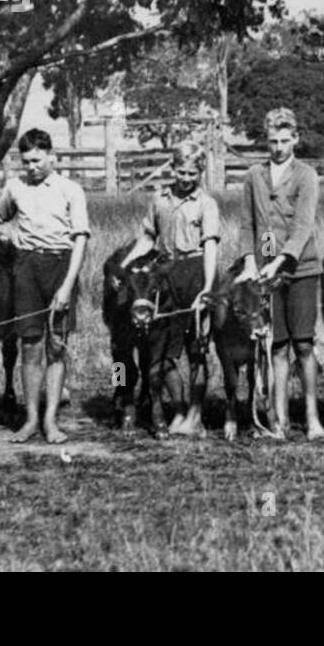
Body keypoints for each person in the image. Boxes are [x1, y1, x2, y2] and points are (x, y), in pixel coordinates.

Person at [0, 129, 89, 444]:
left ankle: (51, 421)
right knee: (30, 346)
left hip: (61, 266)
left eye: (37, 160)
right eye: (26, 162)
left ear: (52, 156)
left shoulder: (70, 190)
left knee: (56, 347)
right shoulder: (15, 187)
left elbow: (80, 242)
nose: (32, 167)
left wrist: (66, 287)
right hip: (25, 268)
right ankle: (31, 419)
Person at [239, 108, 324, 441]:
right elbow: (248, 224)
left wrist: (281, 260)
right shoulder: (253, 176)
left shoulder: (306, 175)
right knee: (275, 346)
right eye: (273, 141)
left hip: (300, 268)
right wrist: (251, 261)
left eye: (284, 141)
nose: (278, 147)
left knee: (303, 344)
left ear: (296, 139)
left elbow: (304, 224)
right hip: (265, 272)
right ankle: (279, 419)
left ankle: (313, 418)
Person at [121, 141, 219, 437]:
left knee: (197, 348)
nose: (186, 178)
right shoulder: (159, 199)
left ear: (200, 172)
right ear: (173, 169)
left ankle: (195, 415)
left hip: (196, 272)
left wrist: (208, 287)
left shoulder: (206, 203)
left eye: (192, 173)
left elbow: (211, 245)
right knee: (163, 349)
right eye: (181, 172)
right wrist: (124, 267)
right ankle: (176, 408)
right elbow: (147, 238)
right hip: (164, 275)